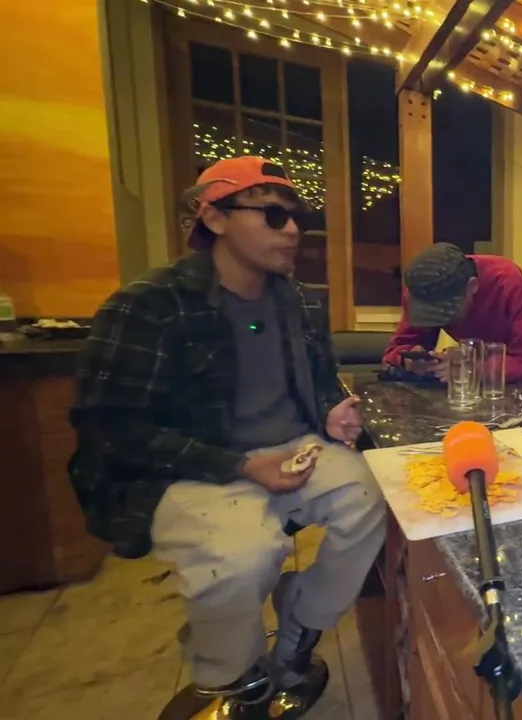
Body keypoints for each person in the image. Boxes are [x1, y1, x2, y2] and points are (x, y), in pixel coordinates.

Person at [69, 156, 387, 715]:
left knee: (376, 497)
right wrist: (239, 466)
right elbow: (111, 427)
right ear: (213, 218)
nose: (292, 229)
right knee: (242, 555)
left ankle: (300, 628)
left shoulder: (299, 301)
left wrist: (331, 411)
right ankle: (233, 679)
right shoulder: (149, 305)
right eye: (272, 215)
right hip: (192, 466)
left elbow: (318, 381)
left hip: (294, 449)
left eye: (296, 217)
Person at [381, 243, 522, 395]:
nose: (444, 321)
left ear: (472, 286)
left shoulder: (507, 280)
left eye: (448, 312)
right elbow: (395, 351)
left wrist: (472, 369)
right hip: (479, 353)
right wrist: (411, 361)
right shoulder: (420, 290)